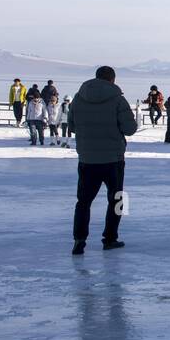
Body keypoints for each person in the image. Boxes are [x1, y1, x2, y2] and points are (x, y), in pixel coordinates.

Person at [68, 66, 137, 255]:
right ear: (112, 80)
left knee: (83, 201)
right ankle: (110, 238)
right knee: (117, 199)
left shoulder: (78, 98)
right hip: (113, 159)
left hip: (87, 159)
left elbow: (71, 125)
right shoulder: (118, 99)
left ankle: (79, 239)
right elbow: (130, 128)